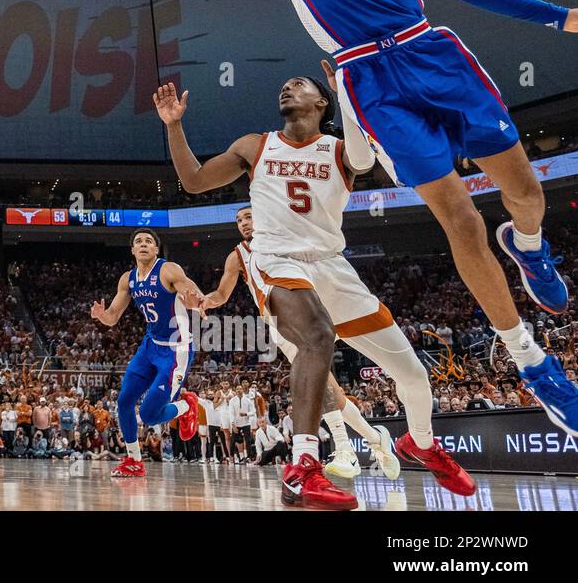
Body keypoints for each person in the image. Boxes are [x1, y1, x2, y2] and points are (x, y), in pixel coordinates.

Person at [103, 0, 578, 436]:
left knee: (525, 192)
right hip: (367, 77)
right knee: (461, 217)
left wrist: (559, 16)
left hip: (428, 48)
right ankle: (530, 360)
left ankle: (528, 245)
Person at [158, 77, 472, 506]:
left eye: (299, 85)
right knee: (318, 336)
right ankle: (303, 467)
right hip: (278, 260)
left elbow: (363, 159)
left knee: (414, 375)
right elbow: (194, 181)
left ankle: (420, 442)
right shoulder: (255, 145)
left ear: (322, 101)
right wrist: (174, 125)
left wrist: (348, 94)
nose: (286, 88)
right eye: (284, 86)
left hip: (332, 266)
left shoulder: (340, 149)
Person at [206, 206, 401, 480]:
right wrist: (205, 300)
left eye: (249, 216)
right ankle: (376, 439)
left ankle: (345, 449)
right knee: (332, 393)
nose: (243, 223)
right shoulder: (237, 255)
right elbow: (221, 294)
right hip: (278, 325)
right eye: (239, 220)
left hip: (306, 314)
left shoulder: (284, 238)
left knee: (318, 383)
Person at [92, 228, 204, 479]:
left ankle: (187, 405)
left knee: (149, 415)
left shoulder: (168, 270)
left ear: (156, 248)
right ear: (132, 250)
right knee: (123, 401)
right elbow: (112, 317)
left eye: (149, 241)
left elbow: (191, 290)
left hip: (176, 350)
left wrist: (197, 300)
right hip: (150, 346)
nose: (143, 244)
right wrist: (102, 316)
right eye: (138, 241)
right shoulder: (128, 279)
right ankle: (133, 460)